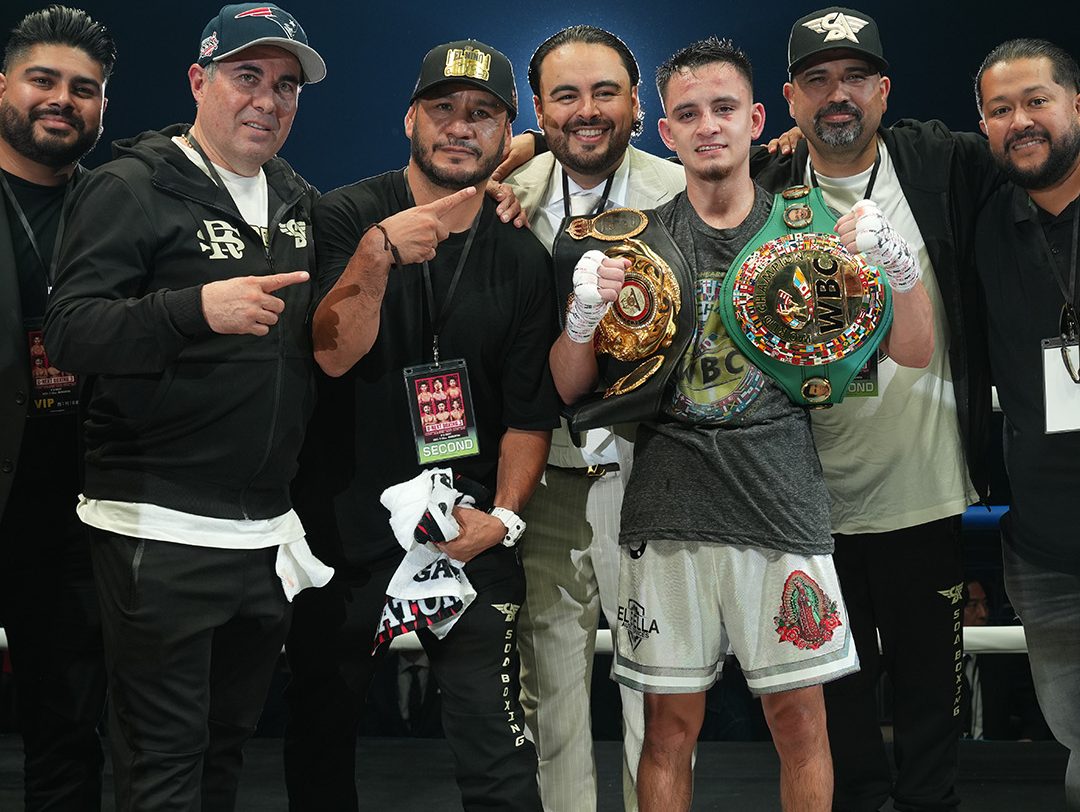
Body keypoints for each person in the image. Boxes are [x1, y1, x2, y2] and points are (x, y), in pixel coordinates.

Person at [551, 35, 930, 811]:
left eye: (724, 108)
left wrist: (900, 270)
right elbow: (567, 386)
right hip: (668, 508)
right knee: (666, 731)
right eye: (688, 113)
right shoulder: (637, 242)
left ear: (756, 118)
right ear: (668, 132)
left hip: (782, 509)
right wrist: (584, 316)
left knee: (799, 723)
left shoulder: (814, 231)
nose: (708, 126)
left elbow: (913, 350)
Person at [42, 4, 328, 809]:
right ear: (199, 81)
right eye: (246, 78)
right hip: (156, 526)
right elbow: (69, 332)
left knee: (224, 754)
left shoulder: (298, 199)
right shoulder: (128, 187)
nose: (267, 101)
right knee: (163, 761)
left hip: (263, 530)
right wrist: (195, 310)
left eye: (284, 86)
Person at [283, 38, 558, 812]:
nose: (460, 127)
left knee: (498, 752)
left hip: (465, 526)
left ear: (507, 138)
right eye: (443, 109)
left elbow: (529, 414)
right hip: (344, 525)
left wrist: (500, 519)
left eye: (483, 115)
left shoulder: (522, 256)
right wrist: (375, 256)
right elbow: (331, 357)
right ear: (410, 118)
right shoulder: (345, 214)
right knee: (321, 738)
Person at [750, 8, 1002, 809]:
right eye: (817, 80)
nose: (837, 96)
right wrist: (520, 151)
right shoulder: (761, 185)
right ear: (789, 98)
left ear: (884, 90)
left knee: (933, 695)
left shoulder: (939, 164)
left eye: (855, 77)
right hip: (805, 499)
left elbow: (1040, 144)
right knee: (836, 699)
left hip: (923, 488)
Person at [503, 26, 685, 811]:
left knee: (660, 682)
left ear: (637, 103)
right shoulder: (505, 193)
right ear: (540, 111)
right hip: (547, 476)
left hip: (656, 468)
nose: (587, 111)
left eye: (605, 91)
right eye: (566, 95)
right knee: (553, 686)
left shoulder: (683, 189)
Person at [0, 6, 113, 809]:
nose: (62, 99)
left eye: (85, 89)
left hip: (72, 502)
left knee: (69, 731)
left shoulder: (117, 203)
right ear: (3, 84)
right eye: (44, 79)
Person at [973, 37, 1080, 809]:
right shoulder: (983, 216)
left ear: (1076, 104)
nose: (1021, 121)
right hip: (1045, 552)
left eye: (1037, 100)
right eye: (1001, 109)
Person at [959, 578, 1049, 741]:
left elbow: (1034, 716)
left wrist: (1025, 744)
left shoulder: (1003, 662)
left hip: (993, 757)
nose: (983, 614)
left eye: (985, 604)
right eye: (973, 605)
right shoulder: (934, 663)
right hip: (946, 757)